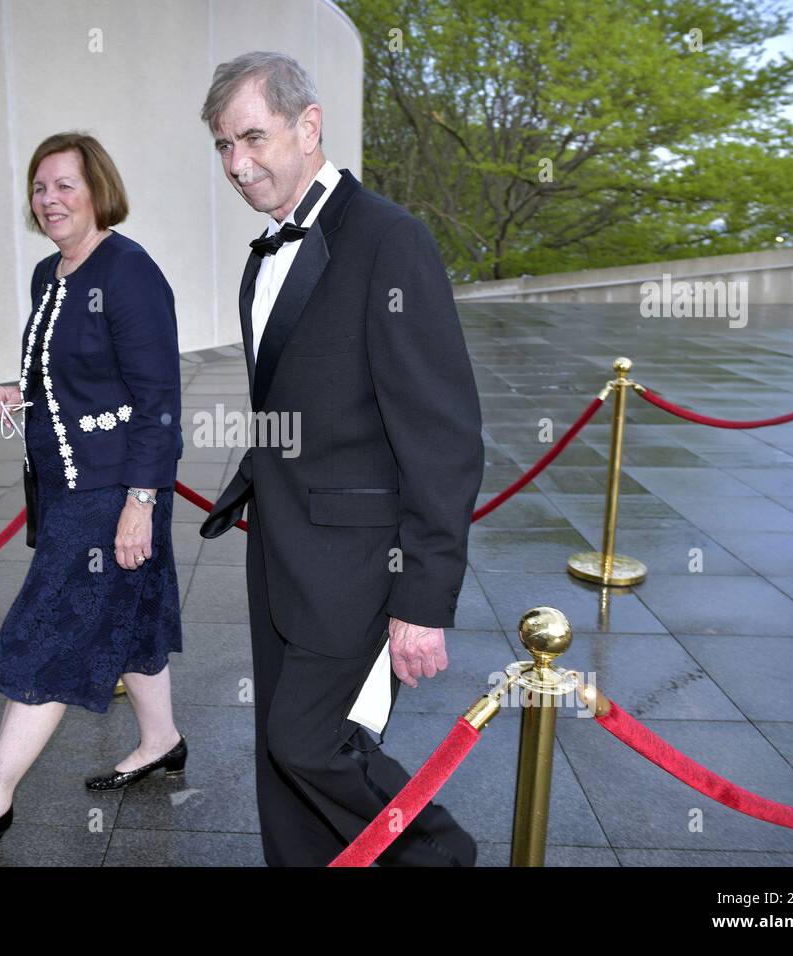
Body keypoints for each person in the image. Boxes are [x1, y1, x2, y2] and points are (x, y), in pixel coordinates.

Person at [198, 52, 486, 866]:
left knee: (309, 740)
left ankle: (440, 855)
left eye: (252, 137)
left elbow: (444, 436)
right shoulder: (268, 246)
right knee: (274, 749)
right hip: (278, 537)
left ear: (309, 125)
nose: (236, 163)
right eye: (223, 145)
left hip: (359, 556)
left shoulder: (390, 240)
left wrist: (424, 599)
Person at [0, 132, 186, 856]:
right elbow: (74, 366)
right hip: (67, 482)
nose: (50, 200)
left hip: (115, 486)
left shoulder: (130, 273)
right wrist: (20, 390)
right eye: (39, 188)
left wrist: (139, 503)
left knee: (50, 631)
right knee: (134, 617)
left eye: (64, 185)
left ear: (98, 190)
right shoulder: (48, 274)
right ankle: (162, 740)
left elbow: (159, 401)